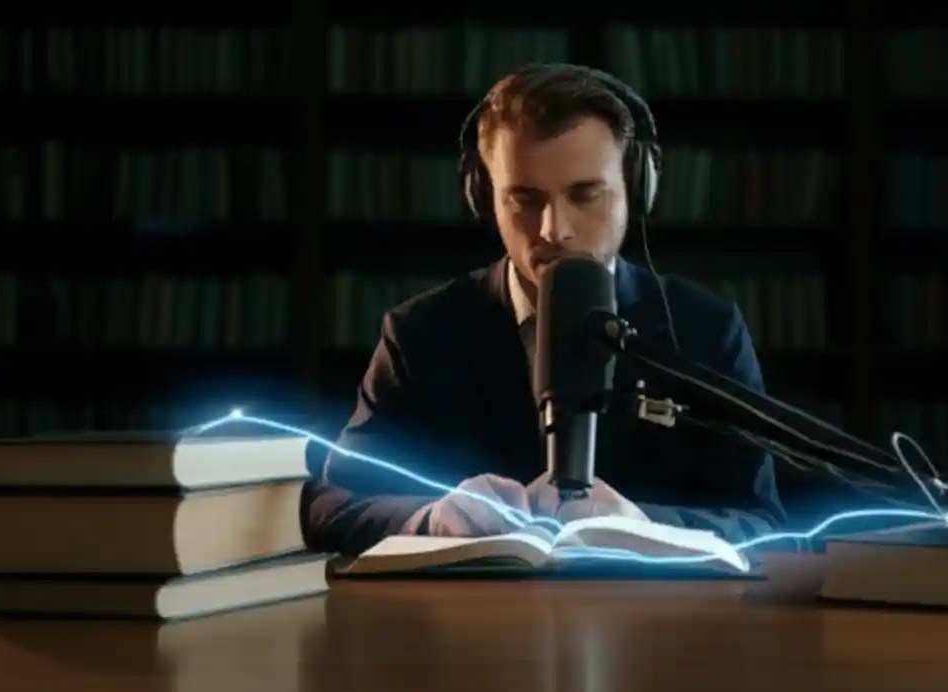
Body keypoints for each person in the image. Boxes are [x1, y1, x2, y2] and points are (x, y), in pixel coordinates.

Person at [302, 63, 785, 558]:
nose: (554, 230)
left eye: (585, 195)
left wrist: (644, 526)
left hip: (655, 628)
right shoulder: (420, 333)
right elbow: (330, 506)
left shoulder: (706, 332)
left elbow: (762, 521)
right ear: (483, 196)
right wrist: (432, 520)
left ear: (636, 189)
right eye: (524, 199)